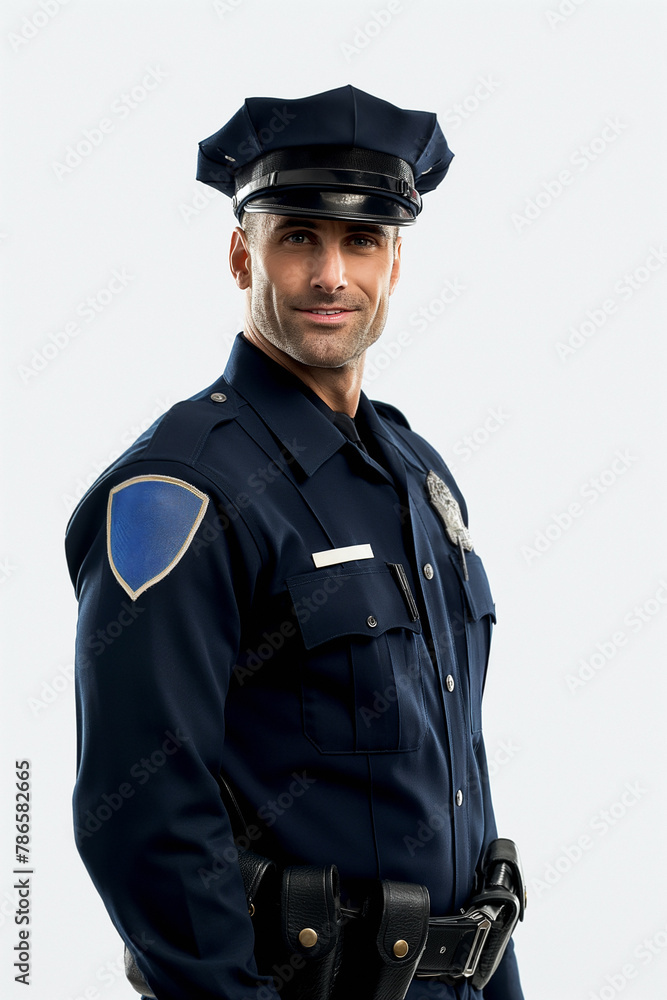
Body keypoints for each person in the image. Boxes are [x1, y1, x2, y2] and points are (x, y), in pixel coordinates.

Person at [65, 85, 525, 1000]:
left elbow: (454, 782)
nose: (330, 277)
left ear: (395, 262)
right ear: (243, 254)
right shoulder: (184, 488)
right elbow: (148, 817)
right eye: (297, 238)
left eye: (361, 241)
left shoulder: (415, 477)